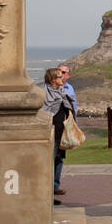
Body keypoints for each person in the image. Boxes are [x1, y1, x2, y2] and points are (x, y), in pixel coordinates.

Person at [42, 67, 75, 205]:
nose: (63, 78)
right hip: (51, 134)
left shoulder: (61, 91)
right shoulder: (44, 93)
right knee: (49, 164)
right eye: (59, 76)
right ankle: (46, 196)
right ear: (52, 80)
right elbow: (44, 112)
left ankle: (53, 189)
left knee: (58, 161)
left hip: (62, 133)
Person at [55, 64, 77, 196]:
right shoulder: (51, 89)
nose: (61, 75)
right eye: (59, 72)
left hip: (65, 128)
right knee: (52, 157)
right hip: (54, 128)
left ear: (68, 75)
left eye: (63, 72)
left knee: (60, 158)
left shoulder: (70, 89)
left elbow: (73, 107)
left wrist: (73, 125)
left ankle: (55, 186)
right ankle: (50, 186)